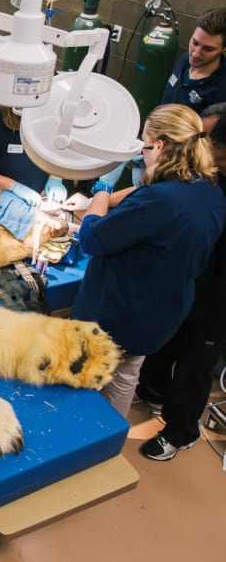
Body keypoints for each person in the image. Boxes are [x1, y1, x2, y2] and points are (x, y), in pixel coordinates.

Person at [70, 104, 226, 417]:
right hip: (159, 317)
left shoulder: (159, 200)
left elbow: (91, 238)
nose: (143, 155)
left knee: (85, 379)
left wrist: (100, 194)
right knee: (126, 375)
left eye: (144, 145)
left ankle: (81, 437)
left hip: (116, 316)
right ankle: (108, 441)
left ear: (161, 145)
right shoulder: (209, 190)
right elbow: (155, 197)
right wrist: (119, 199)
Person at [136, 103, 226, 459]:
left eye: (202, 139)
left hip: (218, 294)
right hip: (187, 281)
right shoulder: (207, 175)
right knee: (166, 339)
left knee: (195, 364)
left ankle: (180, 431)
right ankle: (153, 389)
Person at [0, 102, 67, 206]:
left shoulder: (51, 114)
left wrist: (55, 177)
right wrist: (14, 187)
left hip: (37, 196)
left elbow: (57, 149)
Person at [161, 7, 226, 113]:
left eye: (208, 49)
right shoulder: (186, 58)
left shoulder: (221, 89)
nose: (195, 54)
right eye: (195, 43)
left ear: (224, 48)